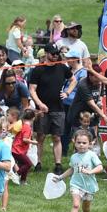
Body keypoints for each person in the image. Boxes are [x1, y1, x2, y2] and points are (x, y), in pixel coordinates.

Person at [52, 129, 104, 212]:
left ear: (90, 143)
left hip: (89, 186)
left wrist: (90, 172)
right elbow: (72, 169)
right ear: (74, 142)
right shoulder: (74, 157)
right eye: (78, 142)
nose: (81, 145)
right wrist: (60, 177)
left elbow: (100, 167)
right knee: (76, 205)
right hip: (76, 184)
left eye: (84, 143)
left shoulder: (92, 155)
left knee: (86, 208)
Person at [29, 44, 71, 174]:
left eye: (57, 53)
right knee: (40, 136)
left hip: (58, 108)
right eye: (53, 53)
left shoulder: (62, 67)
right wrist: (39, 104)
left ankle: (58, 164)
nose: (55, 55)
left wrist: (67, 92)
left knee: (57, 137)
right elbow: (32, 89)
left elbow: (73, 79)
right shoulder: (38, 70)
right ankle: (38, 163)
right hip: (42, 109)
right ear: (46, 53)